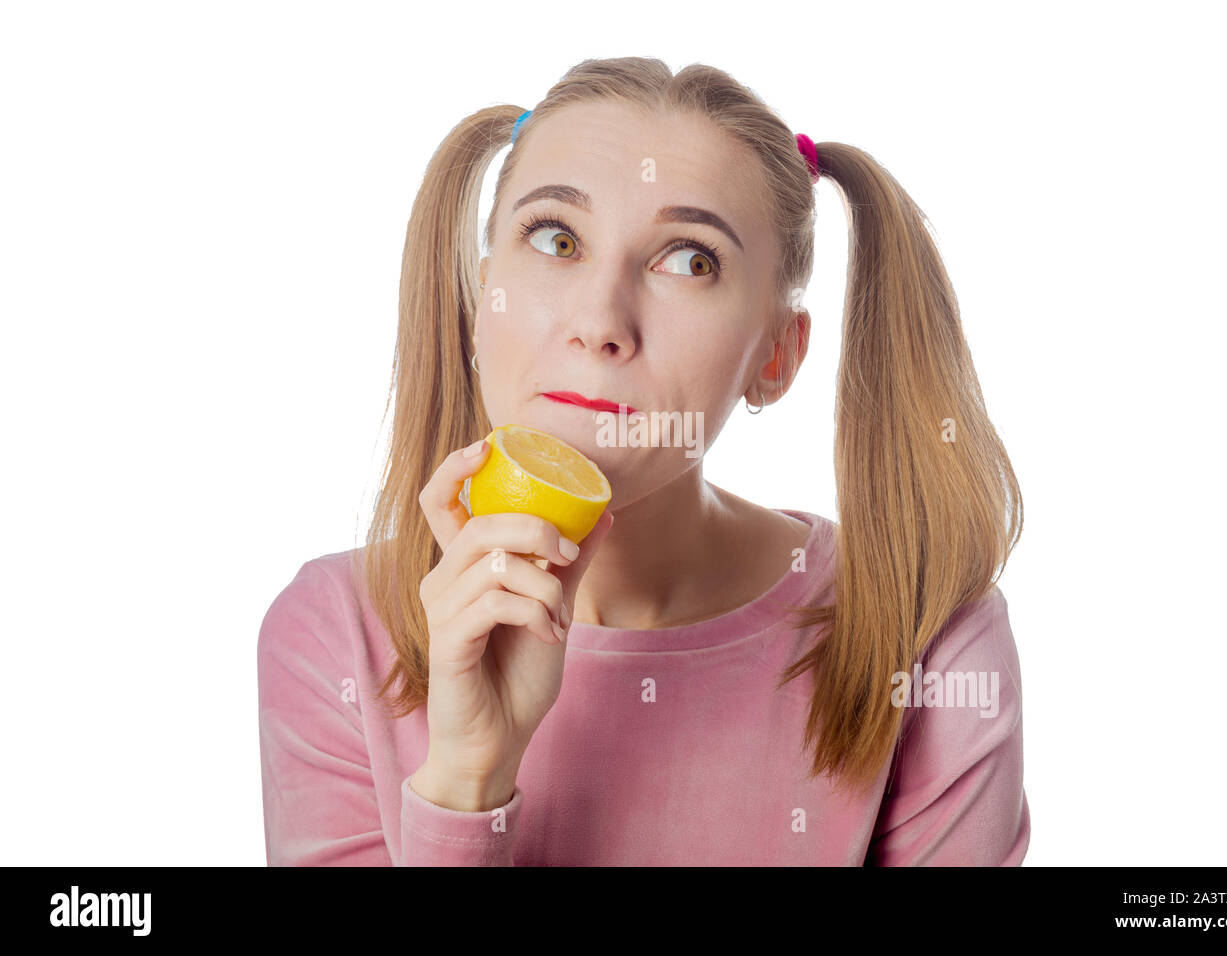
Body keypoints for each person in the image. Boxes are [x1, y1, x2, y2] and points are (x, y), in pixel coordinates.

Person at [258, 56, 1029, 866]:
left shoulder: (925, 642)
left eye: (689, 260)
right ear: (484, 298)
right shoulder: (332, 635)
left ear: (777, 353)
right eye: (557, 240)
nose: (600, 320)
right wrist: (464, 780)